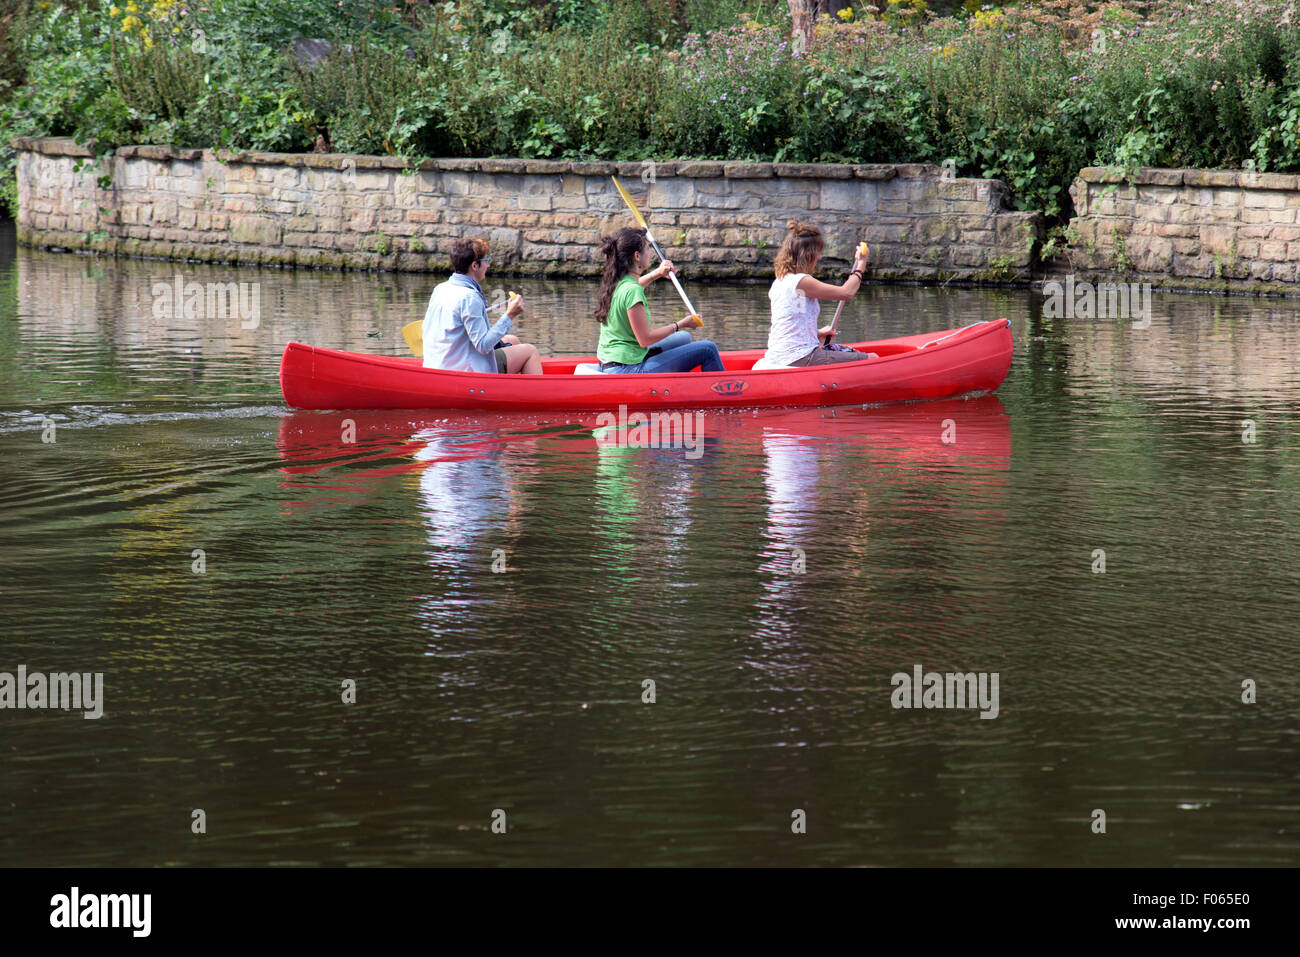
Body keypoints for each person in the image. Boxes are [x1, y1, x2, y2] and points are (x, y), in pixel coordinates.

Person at [593, 227, 725, 374]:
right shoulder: (632, 291)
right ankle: (724, 392)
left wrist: (658, 273)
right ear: (637, 256)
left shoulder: (617, 282)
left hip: (612, 362)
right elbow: (645, 340)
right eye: (647, 249)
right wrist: (681, 324)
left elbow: (635, 286)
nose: (650, 253)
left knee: (684, 337)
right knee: (708, 349)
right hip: (628, 369)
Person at [422, 238, 541, 374]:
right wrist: (510, 315)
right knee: (530, 351)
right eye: (487, 260)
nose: (488, 265)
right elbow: (483, 346)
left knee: (512, 340)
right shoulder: (469, 297)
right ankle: (538, 394)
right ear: (474, 266)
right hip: (463, 369)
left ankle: (507, 390)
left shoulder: (441, 288)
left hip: (441, 362)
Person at [763, 220, 871, 367]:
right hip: (799, 356)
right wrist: (861, 264)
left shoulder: (781, 282)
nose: (818, 258)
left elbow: (796, 320)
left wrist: (818, 333)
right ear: (808, 255)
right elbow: (846, 293)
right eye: (818, 253)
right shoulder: (801, 282)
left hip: (781, 354)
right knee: (872, 358)